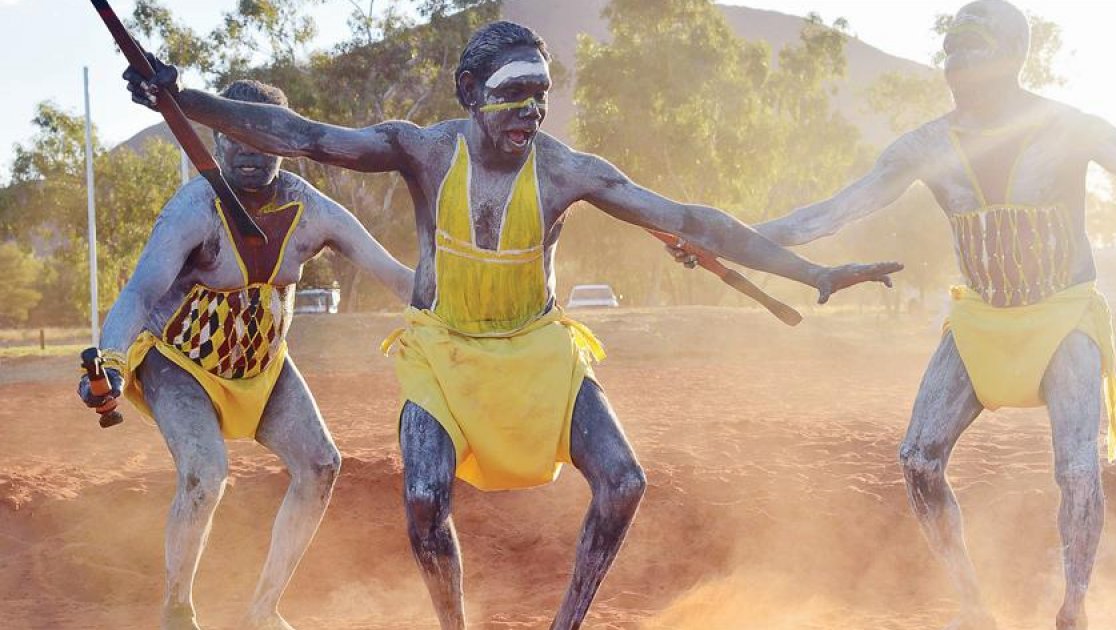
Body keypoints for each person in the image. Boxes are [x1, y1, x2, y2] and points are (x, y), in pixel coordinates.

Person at [124, 21, 900, 629]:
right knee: (424, 501)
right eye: (515, 92)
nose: (531, 110)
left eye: (542, 94)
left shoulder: (566, 170)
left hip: (540, 355)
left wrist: (813, 273)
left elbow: (694, 219)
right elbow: (307, 136)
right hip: (446, 356)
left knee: (625, 482)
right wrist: (181, 99)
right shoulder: (422, 151)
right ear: (469, 92)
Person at [673, 1, 1116, 628]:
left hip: (1063, 318)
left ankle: (1074, 605)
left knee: (1078, 470)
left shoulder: (1070, 128)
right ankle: (972, 604)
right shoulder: (924, 147)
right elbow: (830, 214)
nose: (955, 63)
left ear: (1011, 57)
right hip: (980, 322)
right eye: (950, 49)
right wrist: (727, 239)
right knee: (917, 459)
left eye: (972, 48)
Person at [78, 80, 415, 630]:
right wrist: (111, 364)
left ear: (287, 140)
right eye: (235, 136)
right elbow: (139, 293)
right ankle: (178, 608)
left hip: (264, 366)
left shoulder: (312, 210)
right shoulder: (193, 210)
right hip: (178, 363)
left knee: (322, 465)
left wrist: (472, 294)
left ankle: (263, 610)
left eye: (264, 137)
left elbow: (397, 277)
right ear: (216, 138)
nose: (250, 151)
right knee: (206, 473)